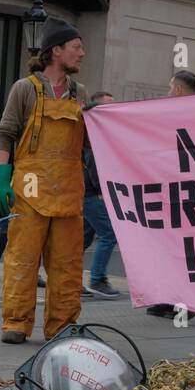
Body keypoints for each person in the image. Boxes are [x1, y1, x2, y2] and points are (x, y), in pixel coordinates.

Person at [0, 17, 89, 344]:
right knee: (22, 257)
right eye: (76, 47)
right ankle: (16, 322)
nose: (82, 53)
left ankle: (62, 326)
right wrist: (1, 179)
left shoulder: (80, 94)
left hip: (68, 189)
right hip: (30, 188)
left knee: (68, 265)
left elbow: (91, 142)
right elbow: (5, 134)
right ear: (56, 51)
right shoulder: (25, 89)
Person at [146, 73, 195, 318]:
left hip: (191, 193)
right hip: (173, 190)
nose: (167, 93)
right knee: (170, 247)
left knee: (188, 250)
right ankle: (168, 298)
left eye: (170, 88)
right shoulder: (174, 114)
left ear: (178, 90)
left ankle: (189, 304)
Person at [81, 91, 120, 299]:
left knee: (81, 240)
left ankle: (68, 281)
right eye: (106, 107)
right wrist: (103, 193)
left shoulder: (99, 132)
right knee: (109, 234)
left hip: (88, 193)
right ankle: (97, 279)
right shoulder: (90, 132)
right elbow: (93, 167)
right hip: (91, 194)